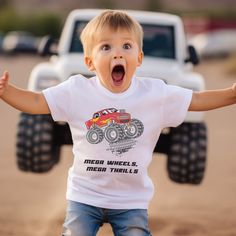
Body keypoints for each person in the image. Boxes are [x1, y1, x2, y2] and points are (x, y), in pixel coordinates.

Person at [0, 10, 236, 236]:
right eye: (106, 47)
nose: (118, 54)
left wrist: (231, 94)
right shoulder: (76, 90)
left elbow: (195, 99)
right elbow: (36, 101)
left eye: (126, 46)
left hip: (131, 200)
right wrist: (7, 91)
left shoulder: (155, 93)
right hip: (85, 196)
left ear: (139, 58)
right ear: (90, 62)